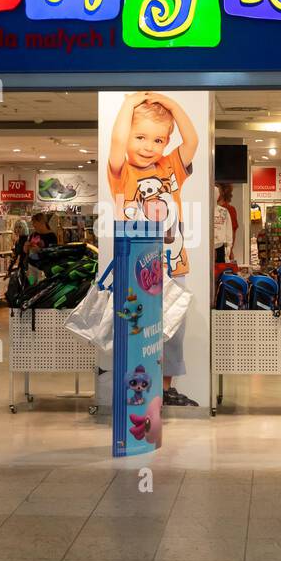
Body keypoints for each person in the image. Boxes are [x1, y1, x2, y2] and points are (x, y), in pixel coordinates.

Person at [107, 91, 200, 407]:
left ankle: (166, 387)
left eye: (158, 140)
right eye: (141, 137)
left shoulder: (170, 166)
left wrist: (172, 105)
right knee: (137, 326)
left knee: (174, 330)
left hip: (174, 266)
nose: (149, 146)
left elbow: (192, 141)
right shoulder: (121, 173)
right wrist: (128, 104)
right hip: (136, 268)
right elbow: (118, 143)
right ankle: (137, 383)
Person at [213, 183, 235, 263]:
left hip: (220, 246)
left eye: (215, 193)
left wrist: (228, 248)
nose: (214, 196)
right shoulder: (203, 212)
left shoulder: (224, 212)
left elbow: (229, 231)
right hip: (206, 246)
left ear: (218, 195)